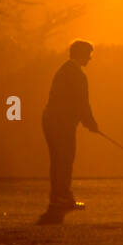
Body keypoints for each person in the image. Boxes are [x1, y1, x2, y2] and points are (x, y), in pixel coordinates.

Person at [43, 40, 99, 210]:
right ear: (81, 55)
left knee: (58, 160)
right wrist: (91, 123)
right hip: (62, 123)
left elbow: (78, 103)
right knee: (65, 159)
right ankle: (62, 197)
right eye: (88, 55)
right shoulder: (77, 75)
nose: (90, 59)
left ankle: (58, 197)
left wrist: (87, 121)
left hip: (52, 120)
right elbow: (82, 103)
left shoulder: (64, 69)